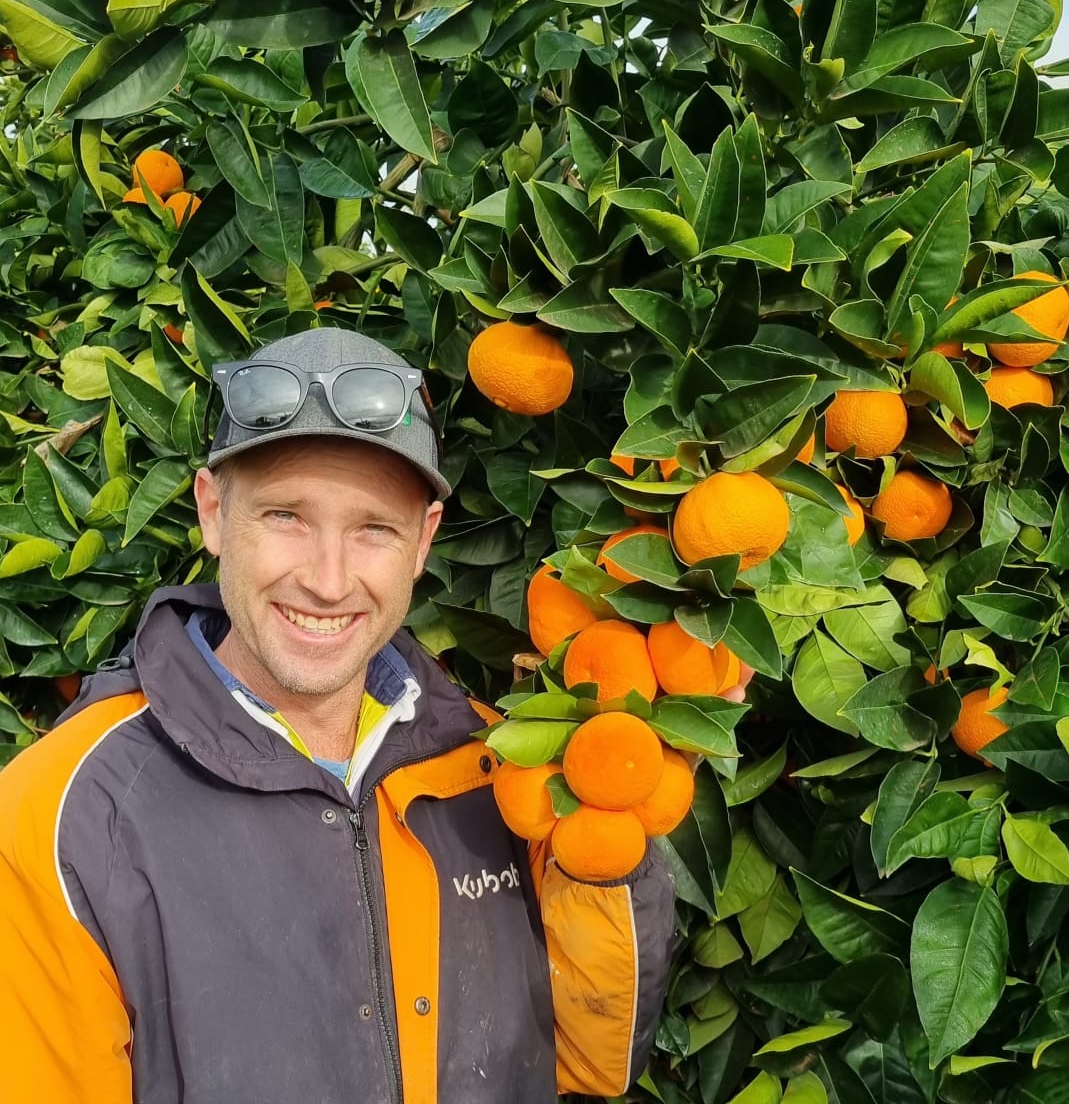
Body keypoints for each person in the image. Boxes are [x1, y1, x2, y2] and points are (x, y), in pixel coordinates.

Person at [0, 327, 675, 1103]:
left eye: (373, 528)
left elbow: (593, 1060)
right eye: (286, 515)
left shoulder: (495, 763)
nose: (327, 580)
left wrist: (619, 797)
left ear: (422, 543)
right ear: (214, 512)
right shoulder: (64, 814)